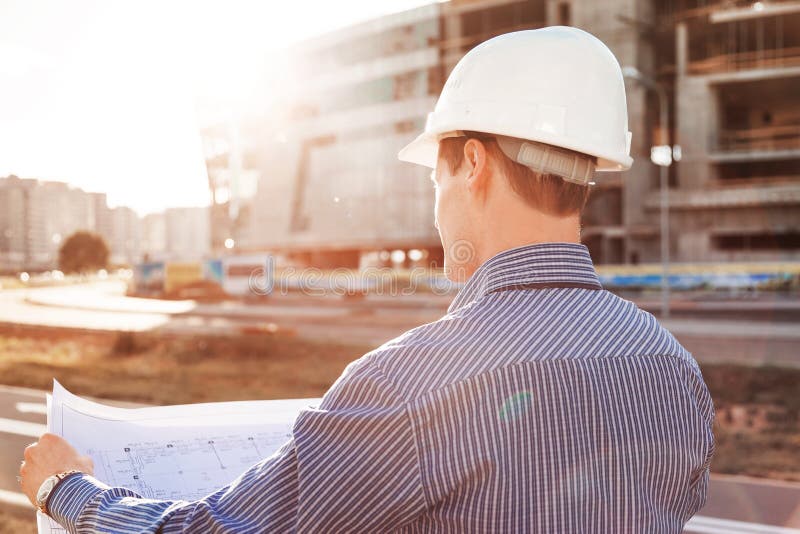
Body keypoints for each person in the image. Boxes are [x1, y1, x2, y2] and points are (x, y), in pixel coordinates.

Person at [20, 26, 715, 533]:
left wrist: (65, 488)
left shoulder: (410, 385)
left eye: (437, 178)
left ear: (471, 164)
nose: (437, 208)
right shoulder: (672, 369)